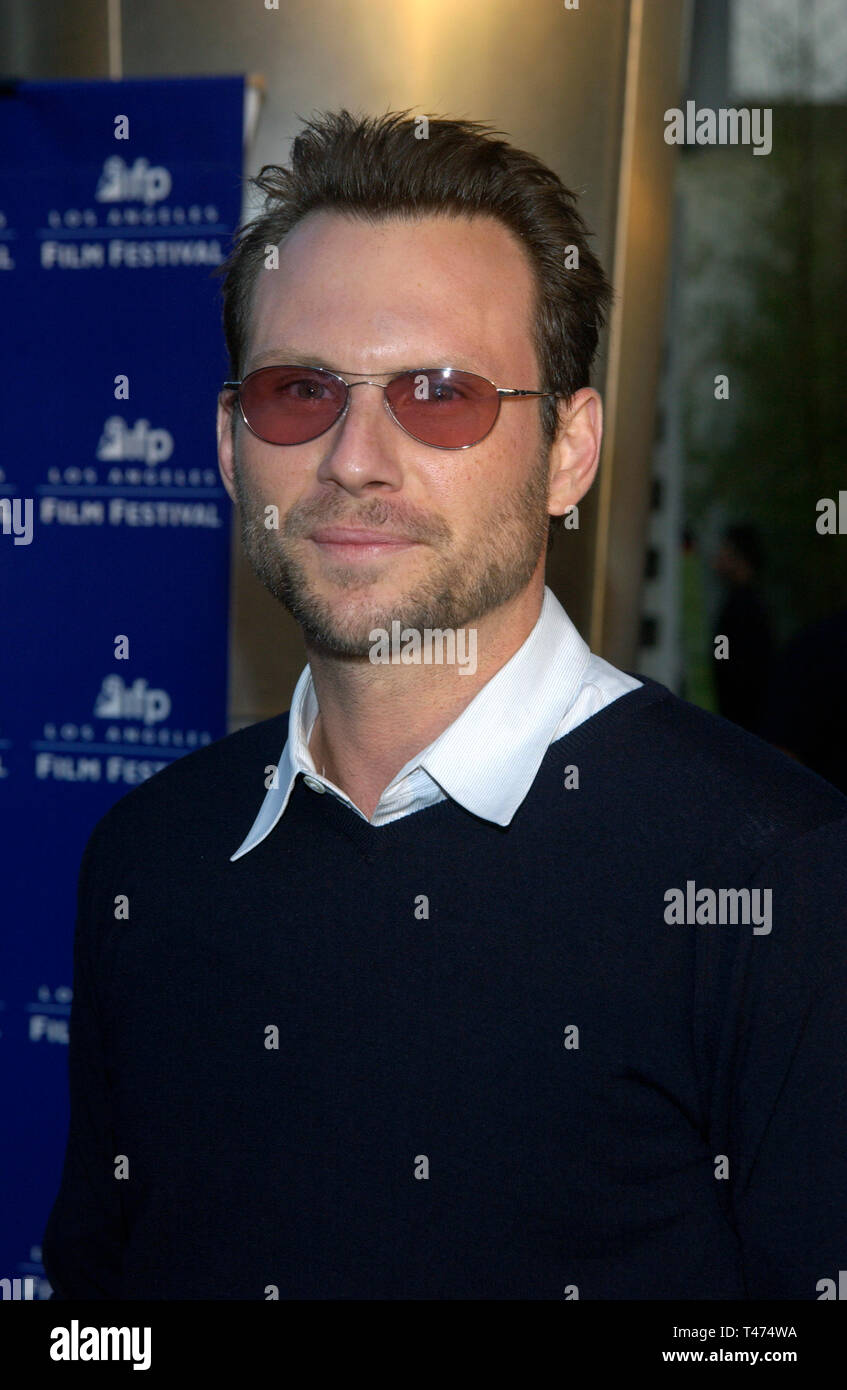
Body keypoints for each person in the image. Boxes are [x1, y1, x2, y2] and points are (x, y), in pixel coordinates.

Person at [43, 110, 847, 1300]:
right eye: (299, 390)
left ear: (568, 451)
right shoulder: (148, 859)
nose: (356, 456)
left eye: (439, 392)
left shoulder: (780, 878)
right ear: (227, 443)